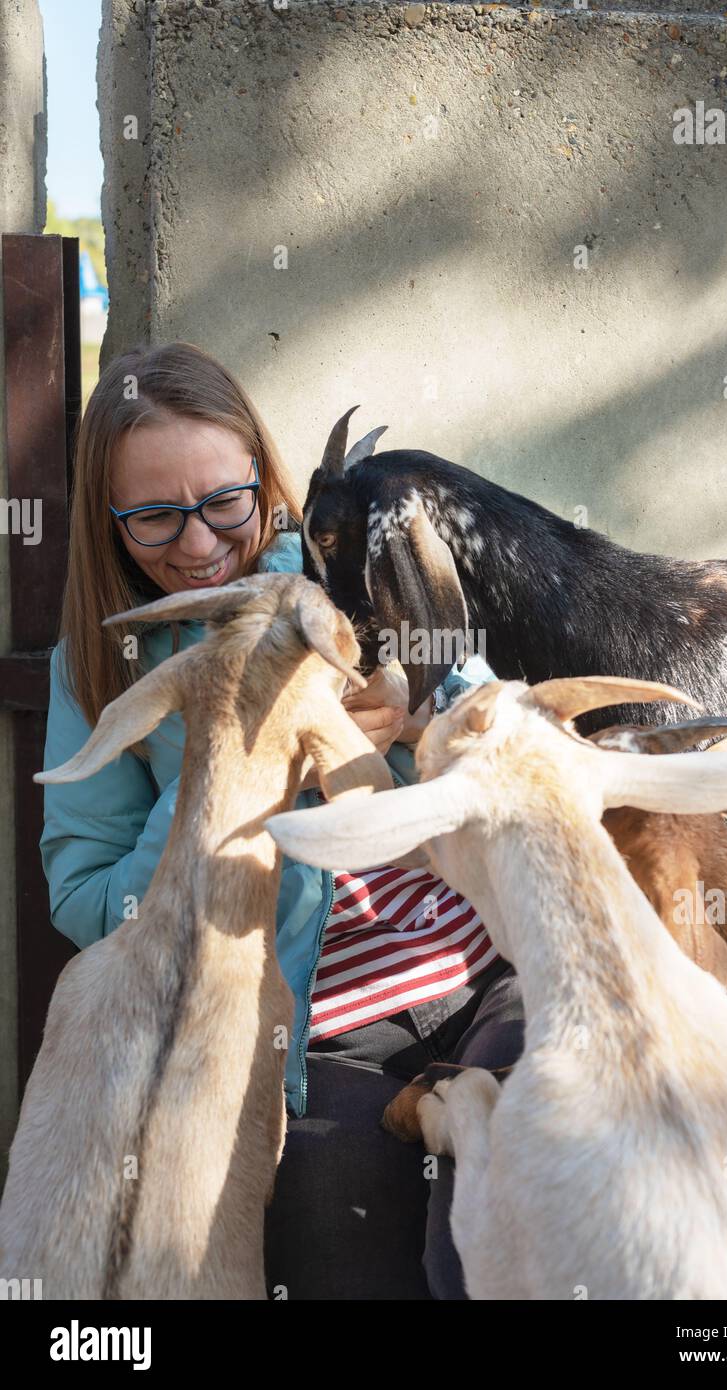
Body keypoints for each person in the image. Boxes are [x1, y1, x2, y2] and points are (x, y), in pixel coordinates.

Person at [40, 341, 524, 1300]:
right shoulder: (96, 668)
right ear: (106, 522)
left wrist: (418, 717)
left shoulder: (352, 577)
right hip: (303, 1041)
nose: (197, 543)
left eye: (225, 501)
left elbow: (507, 750)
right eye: (152, 517)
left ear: (264, 472)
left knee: (520, 1189)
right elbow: (87, 901)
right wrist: (225, 764)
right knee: (345, 1230)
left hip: (480, 983)